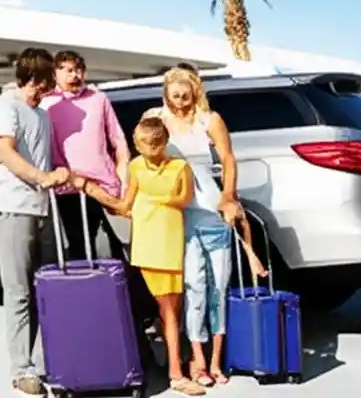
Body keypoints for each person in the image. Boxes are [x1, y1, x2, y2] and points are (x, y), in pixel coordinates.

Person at [144, 67, 268, 387]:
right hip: (176, 216)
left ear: (195, 92)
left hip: (211, 211)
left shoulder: (208, 120)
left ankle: (216, 361)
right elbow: (144, 155)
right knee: (193, 288)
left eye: (186, 95)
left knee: (218, 287)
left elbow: (227, 159)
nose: (180, 102)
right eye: (175, 95)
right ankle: (197, 361)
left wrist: (228, 196)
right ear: (166, 93)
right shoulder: (155, 118)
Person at [88, 116, 203, 396]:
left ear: (165, 141)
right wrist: (95, 192)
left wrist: (154, 201)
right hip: (146, 246)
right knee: (163, 310)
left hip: (169, 245)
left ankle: (174, 367)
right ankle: (175, 372)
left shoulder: (180, 167)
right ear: (136, 144)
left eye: (156, 142)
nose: (151, 148)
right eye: (144, 143)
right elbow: (125, 204)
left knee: (170, 311)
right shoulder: (136, 167)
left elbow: (184, 199)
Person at [0, 47, 71, 398]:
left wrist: (58, 176)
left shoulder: (42, 114)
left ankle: (46, 361)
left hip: (43, 207)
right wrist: (42, 176)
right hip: (15, 207)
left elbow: (46, 157)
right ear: (31, 78)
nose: (46, 90)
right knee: (19, 291)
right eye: (43, 83)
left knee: (45, 289)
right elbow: (7, 152)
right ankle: (21, 369)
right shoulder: (7, 106)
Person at [39, 50, 129, 261]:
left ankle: (125, 292)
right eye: (68, 70)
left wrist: (123, 179)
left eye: (79, 70)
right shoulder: (47, 104)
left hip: (107, 187)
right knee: (80, 248)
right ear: (56, 73)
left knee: (121, 247)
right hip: (70, 189)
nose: (75, 75)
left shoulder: (98, 98)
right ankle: (88, 292)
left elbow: (118, 140)